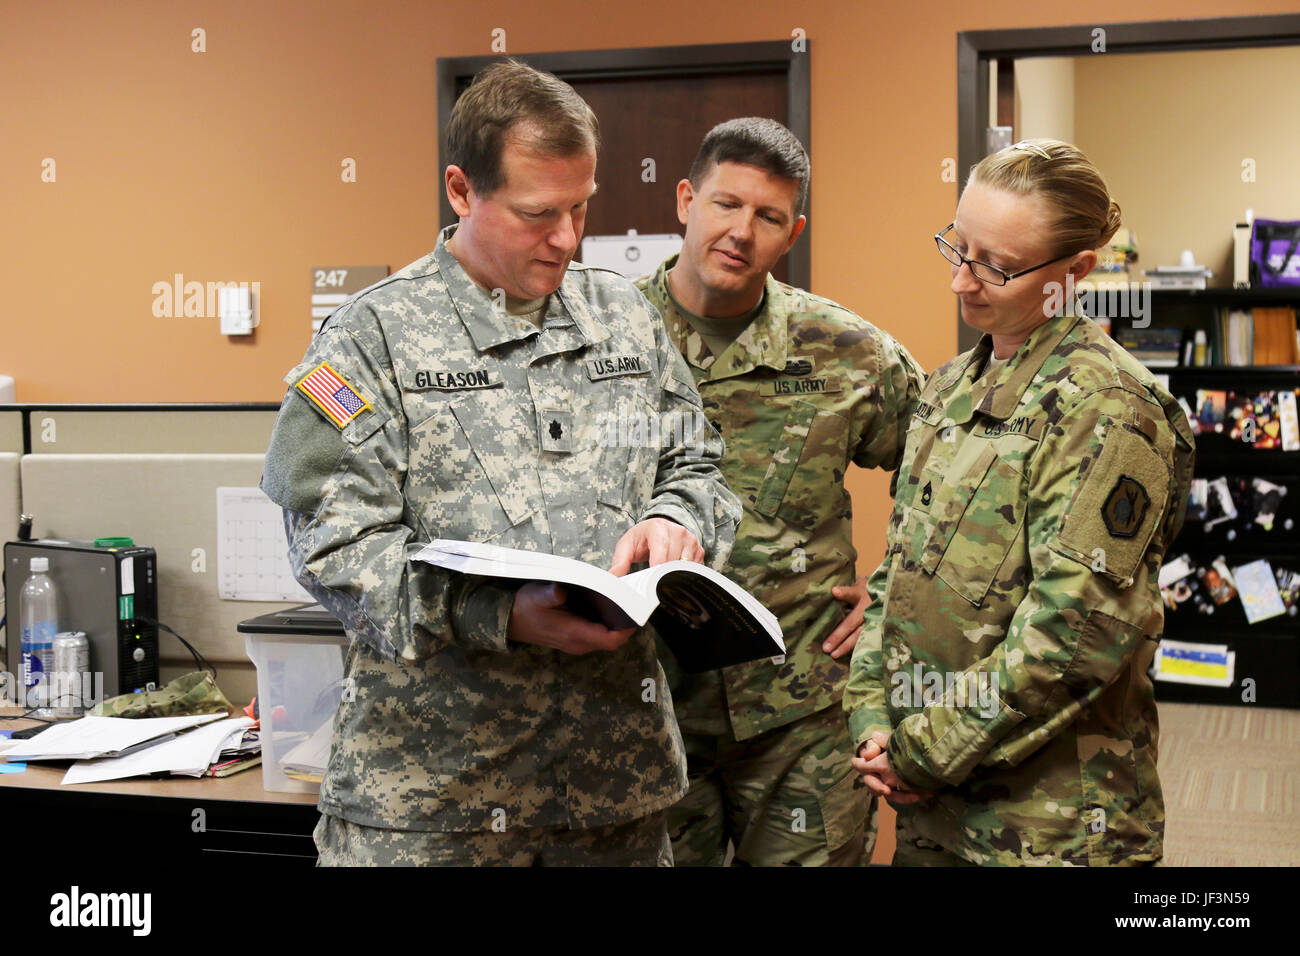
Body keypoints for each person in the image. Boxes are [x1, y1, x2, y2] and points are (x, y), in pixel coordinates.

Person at [260, 60, 741, 866]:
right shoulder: (367, 339)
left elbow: (697, 465)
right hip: (432, 807)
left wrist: (677, 520)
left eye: (581, 207)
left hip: (611, 797)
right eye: (537, 213)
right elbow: (334, 549)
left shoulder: (625, 318)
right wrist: (497, 614)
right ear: (461, 190)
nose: (567, 237)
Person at [845, 139, 1196, 866]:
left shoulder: (1109, 411)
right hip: (935, 797)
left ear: (1074, 275)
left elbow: (1077, 630)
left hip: (1052, 821)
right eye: (957, 246)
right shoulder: (946, 391)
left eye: (995, 265)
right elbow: (898, 574)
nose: (960, 281)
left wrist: (924, 752)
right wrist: (874, 715)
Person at [636, 118, 924, 866]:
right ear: (684, 200)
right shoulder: (610, 340)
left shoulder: (847, 351)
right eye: (726, 205)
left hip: (801, 709)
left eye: (767, 217)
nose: (741, 232)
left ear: (792, 231)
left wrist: (895, 599)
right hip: (644, 702)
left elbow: (947, 480)